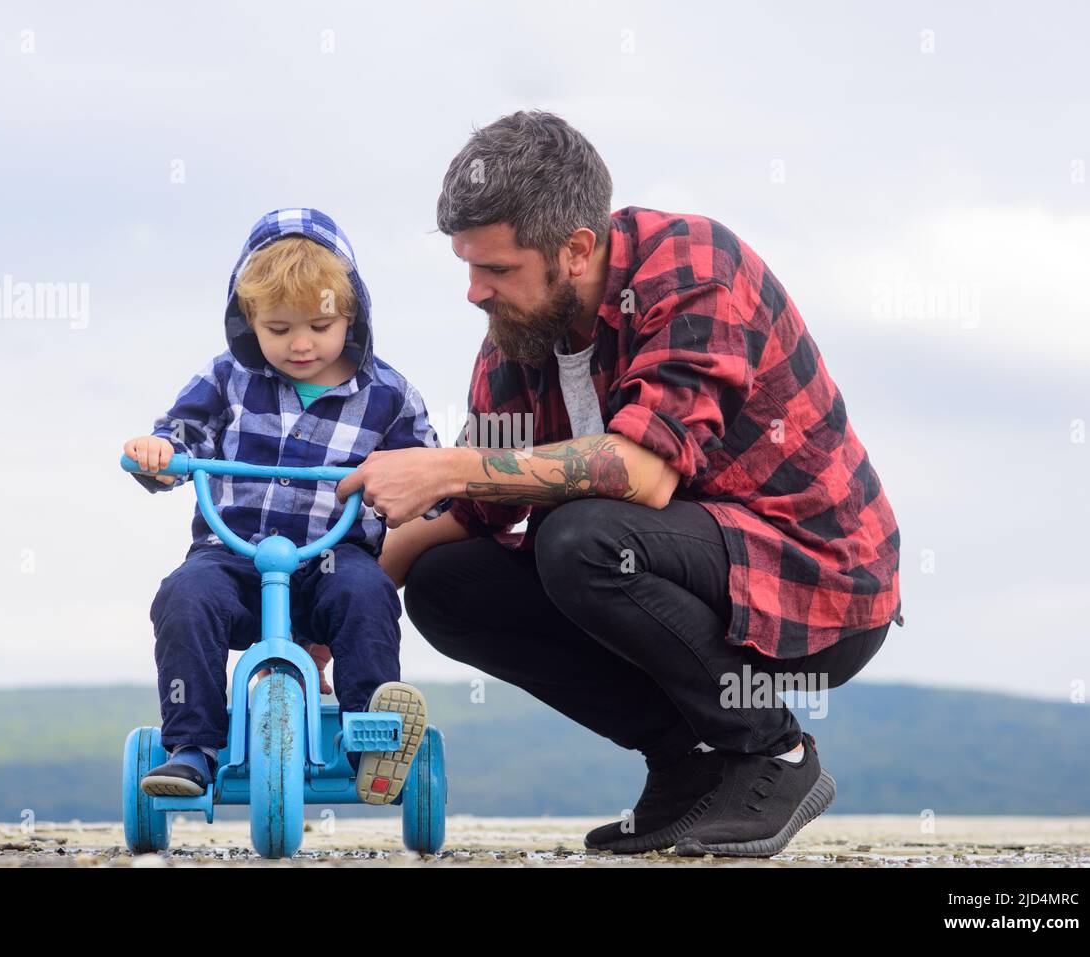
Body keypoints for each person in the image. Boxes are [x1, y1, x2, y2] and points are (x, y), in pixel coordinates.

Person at [337, 112, 905, 857]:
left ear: (575, 249)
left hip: (817, 585)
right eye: (467, 267)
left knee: (582, 537)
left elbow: (640, 471)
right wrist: (337, 608)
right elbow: (474, 508)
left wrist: (445, 464)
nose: (474, 292)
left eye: (497, 270)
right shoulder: (518, 337)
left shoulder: (695, 267)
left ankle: (772, 753)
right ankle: (688, 764)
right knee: (445, 585)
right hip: (681, 569)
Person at [123, 207, 445, 805]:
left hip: (330, 557)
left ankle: (370, 741)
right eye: (277, 329)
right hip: (234, 556)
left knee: (367, 593)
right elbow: (182, 433)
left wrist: (433, 492)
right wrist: (159, 453)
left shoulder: (389, 394)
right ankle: (191, 746)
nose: (300, 345)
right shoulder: (226, 378)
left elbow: (423, 472)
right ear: (248, 322)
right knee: (183, 596)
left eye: (320, 326)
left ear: (352, 314)